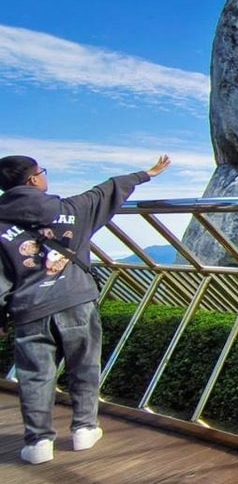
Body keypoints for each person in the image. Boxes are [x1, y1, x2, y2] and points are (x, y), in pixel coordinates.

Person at [0, 153, 172, 465]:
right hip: (75, 300)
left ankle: (38, 441)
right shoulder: (70, 210)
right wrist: (148, 173)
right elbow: (107, 189)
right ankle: (84, 428)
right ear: (33, 180)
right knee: (84, 366)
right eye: (42, 172)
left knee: (35, 375)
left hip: (29, 308)